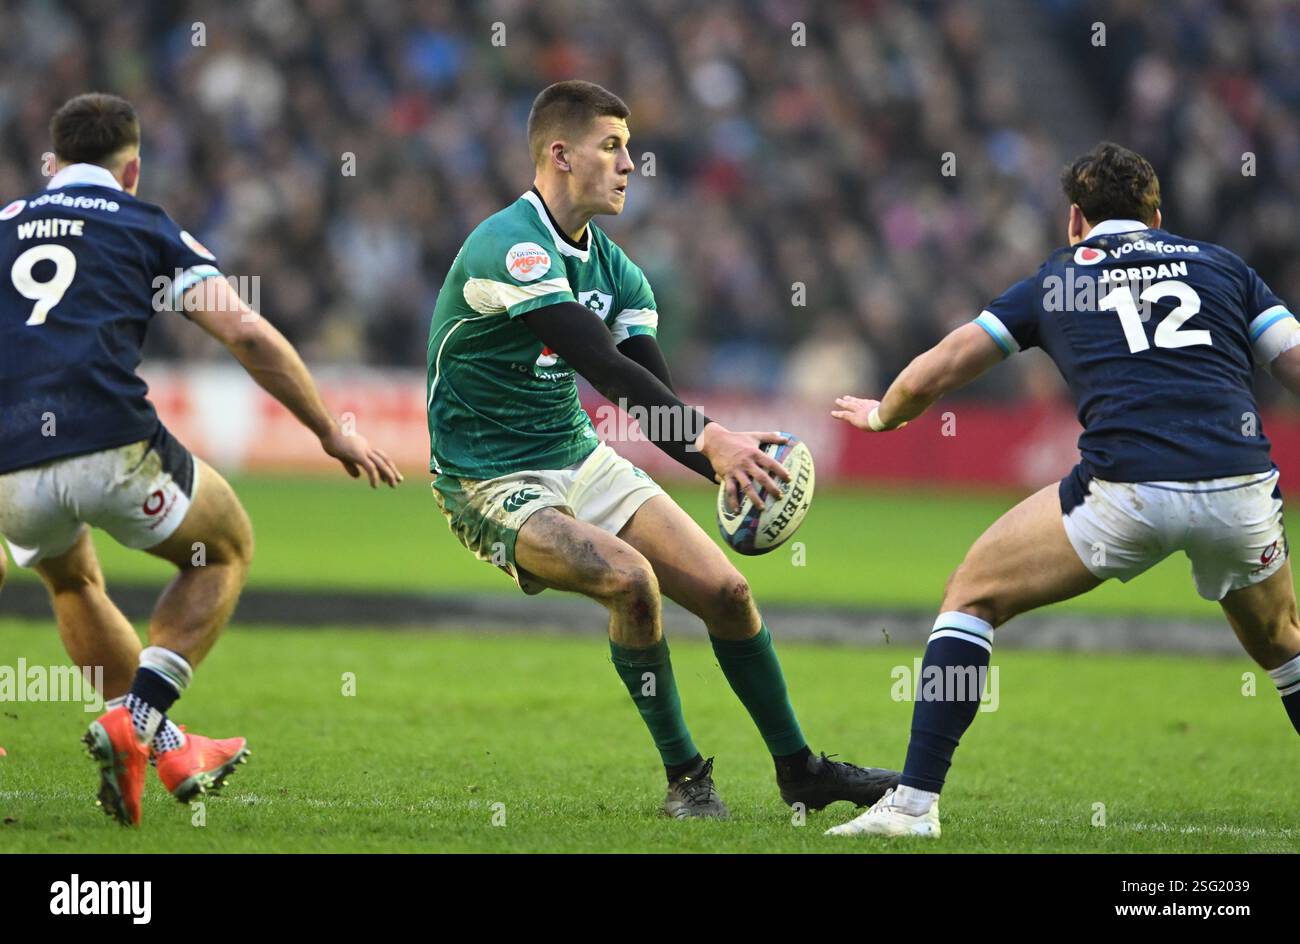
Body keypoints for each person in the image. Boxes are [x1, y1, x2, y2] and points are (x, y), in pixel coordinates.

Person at [426, 79, 898, 818]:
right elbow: (605, 369)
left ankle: (800, 770)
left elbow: (655, 403)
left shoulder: (619, 272)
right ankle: (687, 780)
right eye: (611, 146)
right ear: (559, 154)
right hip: (489, 477)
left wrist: (721, 462)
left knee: (729, 594)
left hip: (577, 456)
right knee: (630, 581)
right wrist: (715, 441)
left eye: (629, 148)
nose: (629, 164)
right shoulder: (510, 247)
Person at [827, 142, 1300, 838]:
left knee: (973, 595)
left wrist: (880, 415)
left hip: (1127, 489)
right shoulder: (1223, 266)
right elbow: (1293, 364)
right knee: (1283, 643)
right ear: (1158, 216)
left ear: (1074, 220)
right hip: (1239, 485)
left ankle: (913, 804)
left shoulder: (1061, 278)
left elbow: (944, 365)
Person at [0, 93, 402, 827]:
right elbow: (245, 333)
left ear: (49, 166)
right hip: (110, 441)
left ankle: (165, 742)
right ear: (133, 171)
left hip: (13, 460)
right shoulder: (144, 223)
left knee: (71, 582)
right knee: (224, 549)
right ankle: (144, 721)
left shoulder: (1, 229)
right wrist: (328, 430)